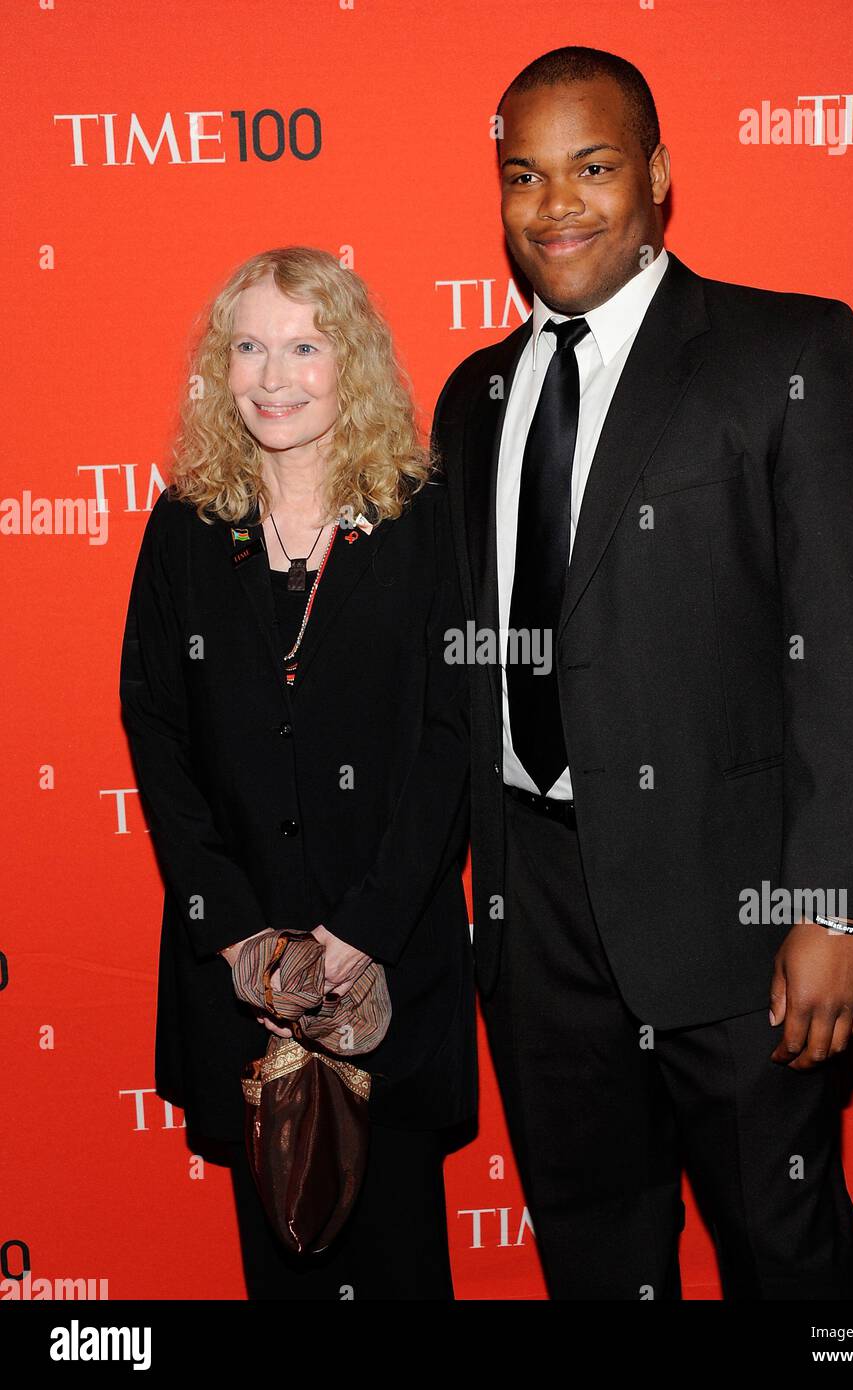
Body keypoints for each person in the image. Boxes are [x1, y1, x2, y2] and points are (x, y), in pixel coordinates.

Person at [433, 47, 853, 1299]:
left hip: (737, 912)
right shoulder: (475, 397)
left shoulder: (784, 352)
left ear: (655, 174)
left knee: (785, 1255)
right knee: (595, 1259)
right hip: (534, 916)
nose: (556, 206)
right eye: (523, 175)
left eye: (591, 167)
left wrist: (835, 908)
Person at [120, 245, 476, 1300]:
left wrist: (361, 934)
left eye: (304, 345)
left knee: (403, 1264)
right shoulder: (186, 527)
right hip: (238, 983)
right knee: (279, 1267)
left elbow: (455, 737)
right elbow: (157, 734)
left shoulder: (422, 522)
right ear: (219, 368)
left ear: (350, 362)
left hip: (390, 971)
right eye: (249, 347)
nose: (273, 375)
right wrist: (239, 937)